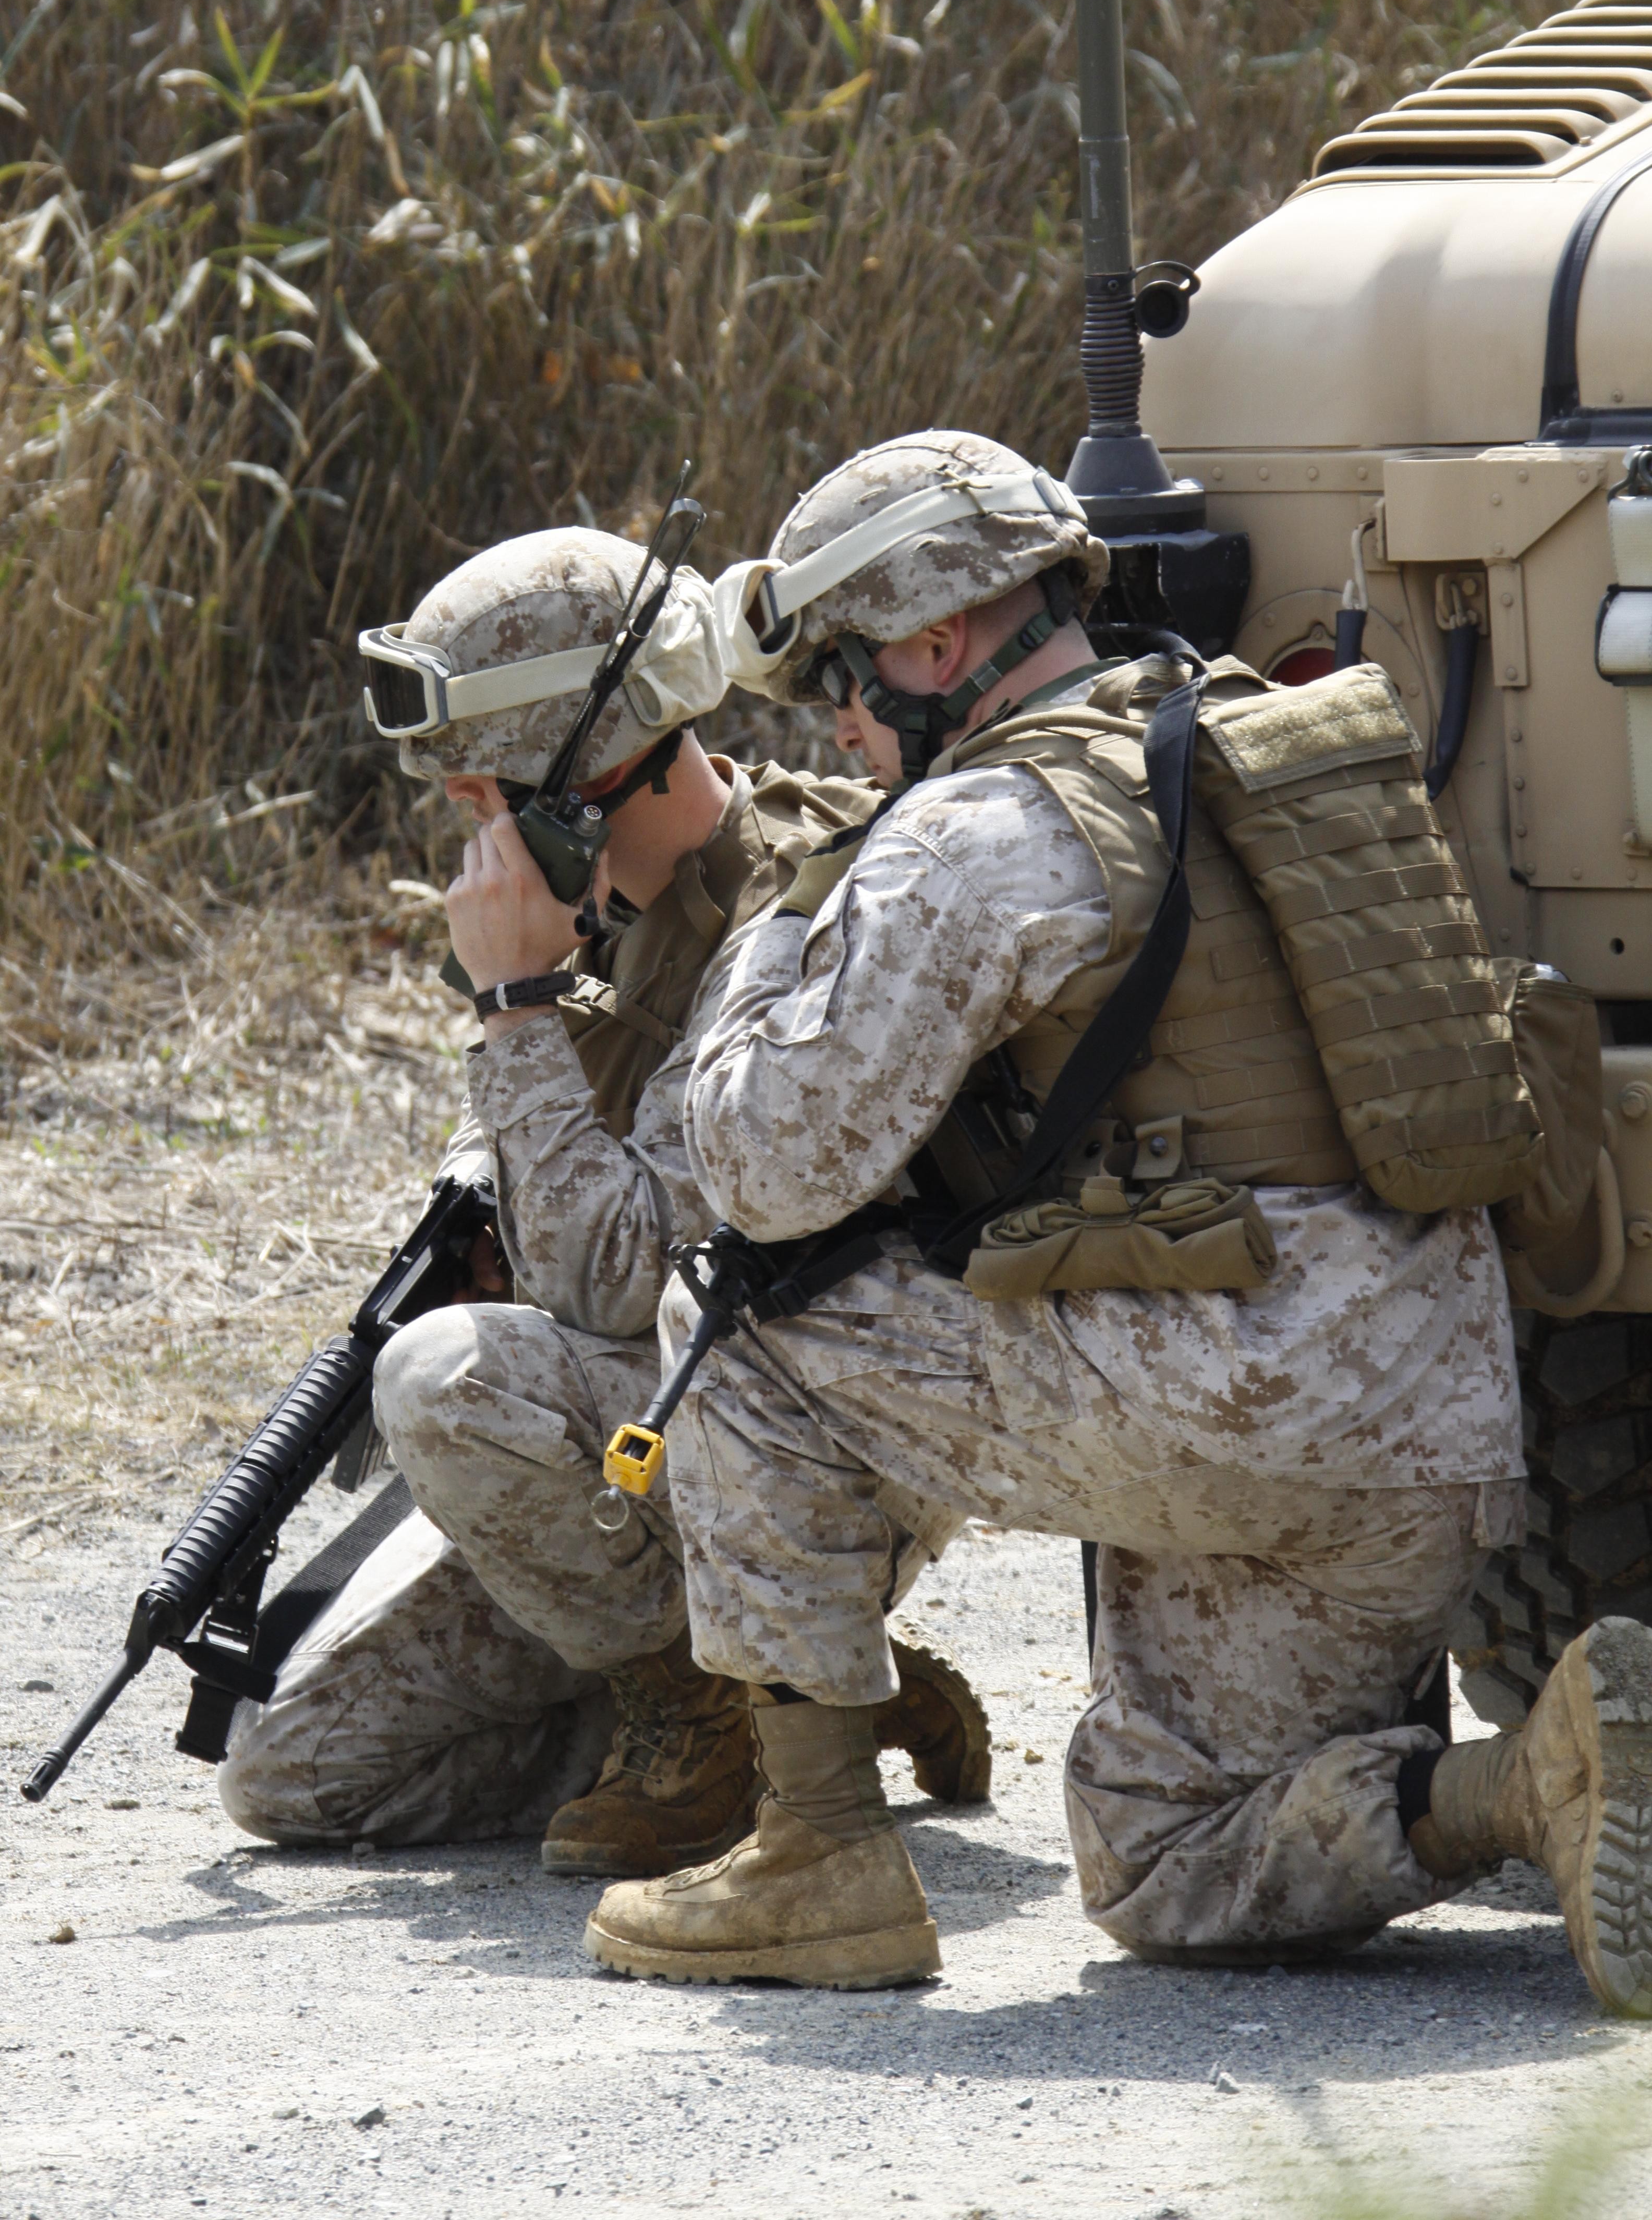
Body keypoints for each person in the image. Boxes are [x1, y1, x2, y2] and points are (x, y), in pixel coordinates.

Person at [582, 428, 1652, 2017]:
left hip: (1223, 1397)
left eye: (843, 682)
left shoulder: (970, 835)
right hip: (1427, 1425)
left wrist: (773, 921)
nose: (844, 729)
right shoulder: (1256, 739)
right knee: (1170, 1864)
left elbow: (763, 1168)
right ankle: (1535, 1776)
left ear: (938, 641)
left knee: (732, 1316)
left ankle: (817, 1853)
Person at [217, 521, 989, 1868]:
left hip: (806, 1435)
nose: (465, 816)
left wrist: (513, 1006)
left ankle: (714, 1697)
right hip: (633, 1440)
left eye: (477, 785)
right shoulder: (597, 917)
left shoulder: (799, 909)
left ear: (580, 776)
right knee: (293, 1780)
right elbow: (539, 1203)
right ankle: (804, 1693)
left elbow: (616, 1278)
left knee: (448, 1381)